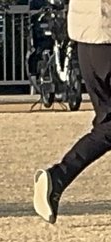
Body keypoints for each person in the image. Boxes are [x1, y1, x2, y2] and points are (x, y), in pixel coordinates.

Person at [34, 0, 111, 223]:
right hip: (105, 34)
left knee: (107, 126)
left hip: (86, 40)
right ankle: (58, 176)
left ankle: (58, 178)